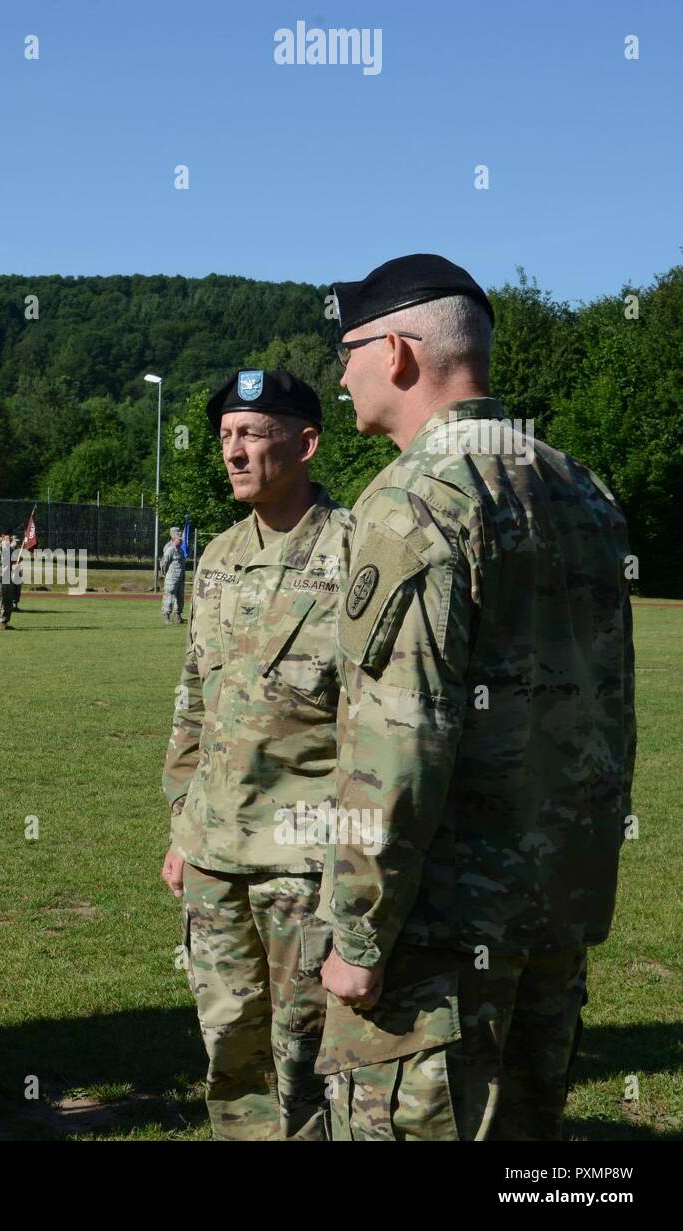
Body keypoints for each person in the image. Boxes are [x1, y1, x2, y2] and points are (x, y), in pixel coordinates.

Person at [317, 253, 635, 1141]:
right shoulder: (582, 488)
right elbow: (612, 708)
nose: (341, 375)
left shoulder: (416, 499)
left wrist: (357, 935)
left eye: (349, 352)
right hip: (549, 922)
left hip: (440, 947)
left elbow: (397, 746)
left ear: (398, 353)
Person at [162, 370, 351, 1140]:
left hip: (305, 860)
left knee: (305, 1054)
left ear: (305, 442)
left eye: (251, 434)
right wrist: (181, 822)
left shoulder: (357, 549)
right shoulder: (219, 556)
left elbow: (383, 727)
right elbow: (192, 702)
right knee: (229, 1047)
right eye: (225, 438)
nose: (233, 453)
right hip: (215, 853)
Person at [159, 527, 186, 623]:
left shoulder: (181, 551)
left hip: (180, 578)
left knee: (180, 597)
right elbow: (164, 563)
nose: (181, 542)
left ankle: (177, 615)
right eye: (180, 540)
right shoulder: (170, 549)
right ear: (175, 539)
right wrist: (165, 574)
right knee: (169, 597)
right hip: (171, 578)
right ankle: (166, 615)